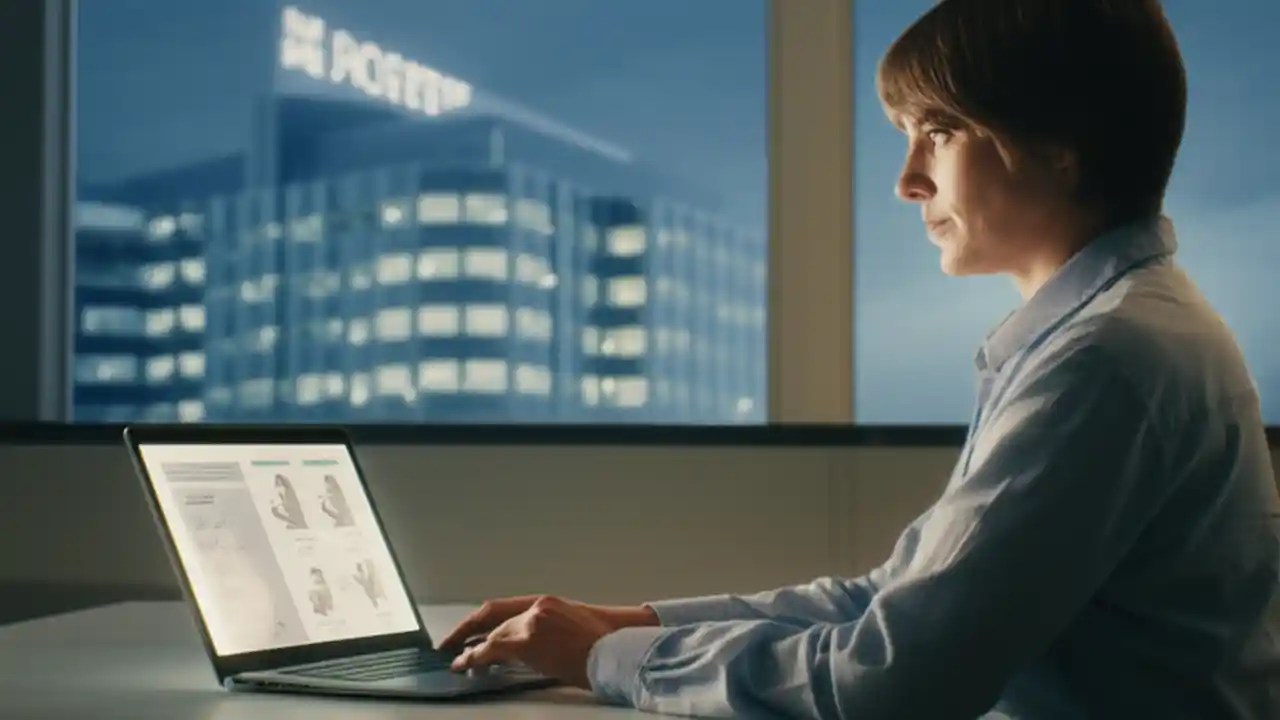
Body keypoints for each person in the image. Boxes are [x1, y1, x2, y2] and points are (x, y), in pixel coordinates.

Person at [442, 1, 1280, 717]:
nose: (908, 180)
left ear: (1064, 143)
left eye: (938, 132)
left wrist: (604, 660)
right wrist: (626, 624)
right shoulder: (1113, 330)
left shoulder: (1105, 360)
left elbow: (891, 678)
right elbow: (892, 598)